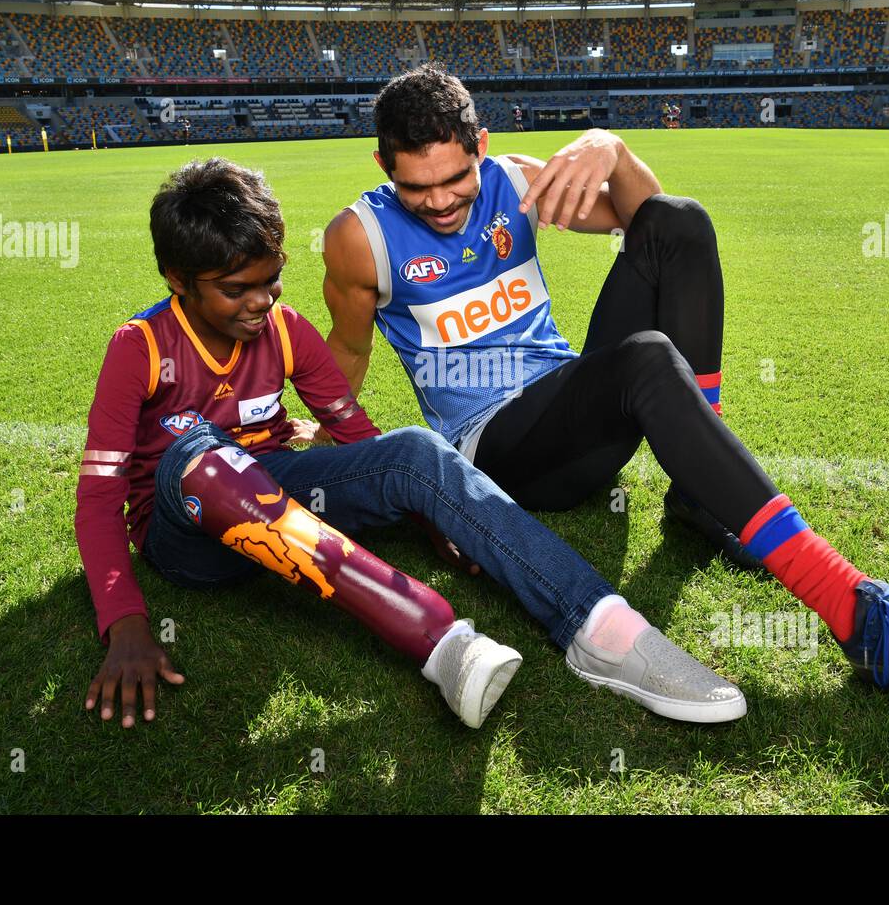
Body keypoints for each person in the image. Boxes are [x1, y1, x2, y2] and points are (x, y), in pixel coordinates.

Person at [318, 63, 889, 697]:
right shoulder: (362, 237)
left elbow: (646, 222)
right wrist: (361, 467)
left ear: (480, 145)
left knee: (680, 220)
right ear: (383, 164)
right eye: (417, 187)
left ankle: (700, 501)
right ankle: (862, 616)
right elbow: (346, 354)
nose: (441, 201)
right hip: (496, 450)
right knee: (646, 358)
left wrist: (612, 148)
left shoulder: (512, 179)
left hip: (572, 406)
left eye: (455, 178)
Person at [75, 156, 750, 732]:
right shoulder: (139, 348)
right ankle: (445, 645)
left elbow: (358, 436)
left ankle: (599, 627)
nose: (261, 302)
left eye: (270, 279)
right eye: (235, 290)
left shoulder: (285, 328)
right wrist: (125, 623)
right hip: (188, 534)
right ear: (177, 279)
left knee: (416, 449)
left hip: (280, 498)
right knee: (200, 453)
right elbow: (100, 497)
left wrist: (434, 510)